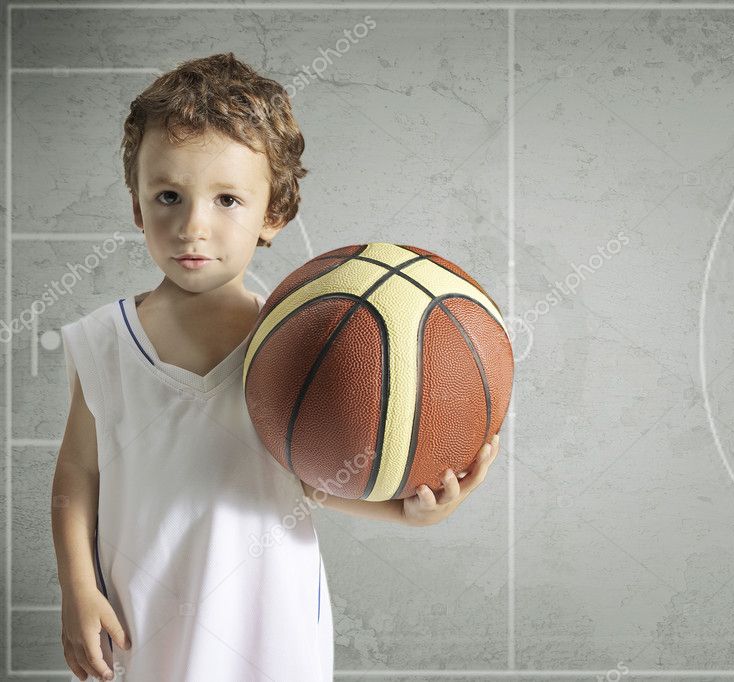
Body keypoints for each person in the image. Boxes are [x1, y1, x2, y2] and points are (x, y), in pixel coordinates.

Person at [50, 52, 500, 682]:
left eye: (227, 198)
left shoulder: (306, 348)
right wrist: (76, 588)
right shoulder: (102, 341)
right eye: (168, 196)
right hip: (143, 624)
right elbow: (77, 474)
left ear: (274, 214)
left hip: (272, 631)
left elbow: (315, 481)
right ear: (136, 206)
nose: (192, 226)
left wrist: (408, 510)